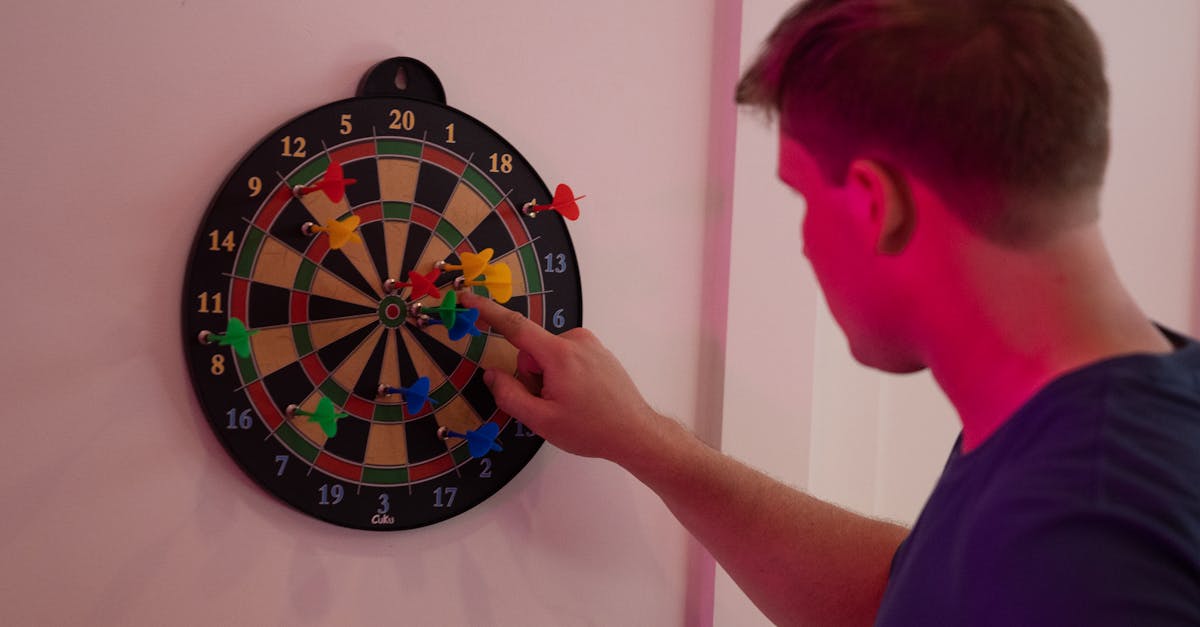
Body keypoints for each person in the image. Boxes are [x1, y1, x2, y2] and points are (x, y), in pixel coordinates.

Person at [461, 0, 1200, 624]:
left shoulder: (1091, 540)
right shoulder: (1088, 419)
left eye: (804, 197)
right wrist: (647, 440)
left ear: (877, 204)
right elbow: (908, 595)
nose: (808, 243)